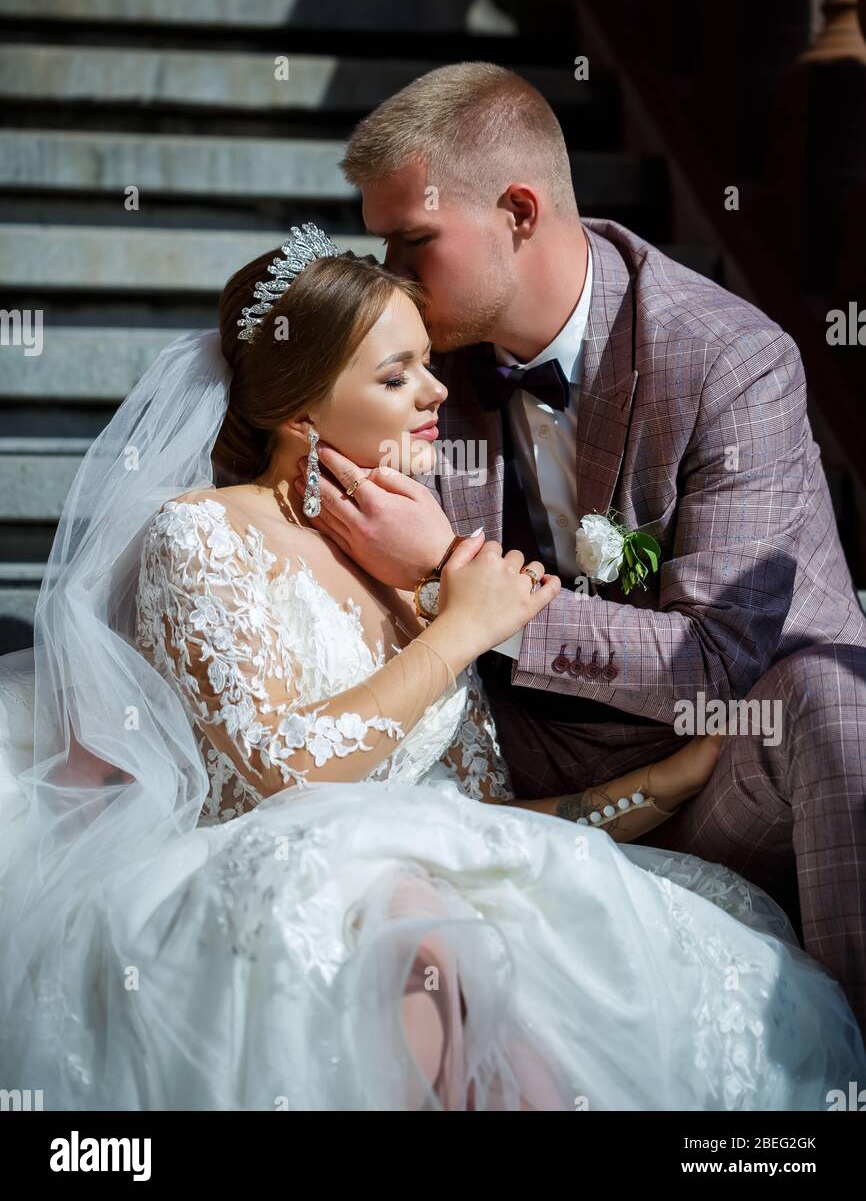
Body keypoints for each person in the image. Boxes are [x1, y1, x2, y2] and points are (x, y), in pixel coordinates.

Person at [0, 226, 862, 1112]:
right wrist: (461, 629)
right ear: (300, 414)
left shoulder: (400, 558)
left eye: (425, 362)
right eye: (396, 374)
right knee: (429, 945)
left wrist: (660, 785)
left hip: (444, 865)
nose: (437, 390)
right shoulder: (203, 534)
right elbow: (282, 766)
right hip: (289, 867)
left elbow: (484, 816)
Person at [288, 61, 866, 1033]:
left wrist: (454, 575)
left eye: (411, 240)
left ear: (518, 210)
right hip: (525, 768)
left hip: (724, 761)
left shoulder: (729, 359)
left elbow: (712, 662)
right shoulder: (421, 365)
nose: (388, 273)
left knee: (835, 691)